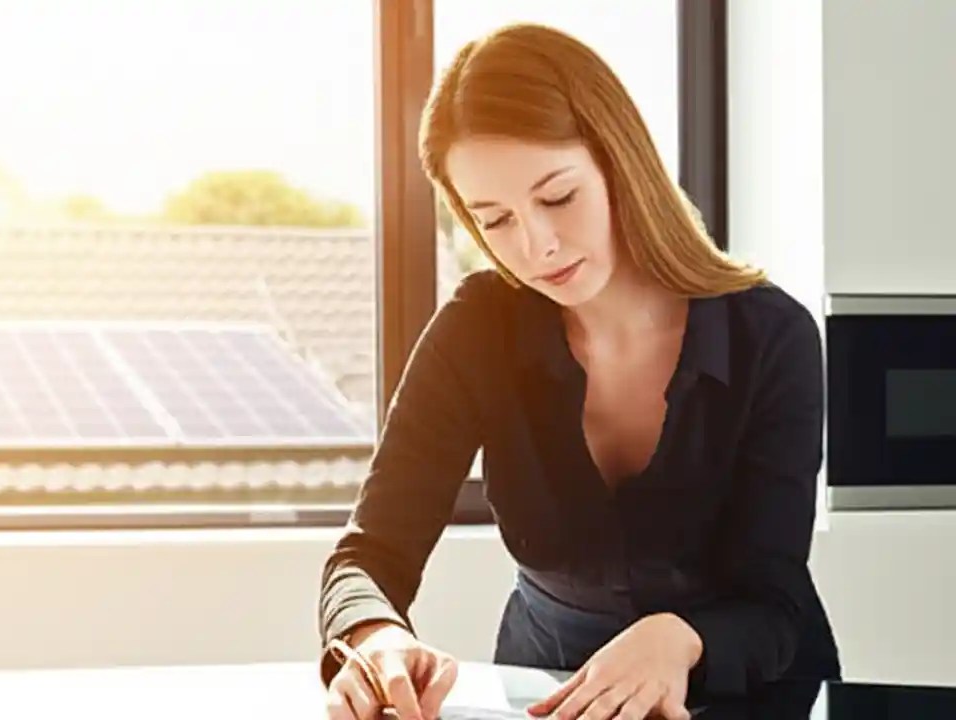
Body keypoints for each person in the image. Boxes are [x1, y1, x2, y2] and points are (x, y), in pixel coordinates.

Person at [318, 22, 841, 720]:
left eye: (558, 198)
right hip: (548, 692)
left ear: (619, 161)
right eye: (495, 221)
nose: (537, 246)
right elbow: (369, 553)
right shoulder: (478, 329)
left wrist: (676, 640)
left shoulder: (771, 335)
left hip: (752, 693)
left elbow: (773, 605)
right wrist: (373, 637)